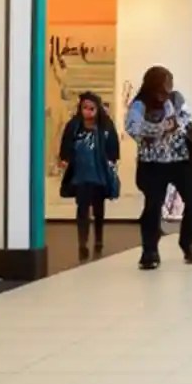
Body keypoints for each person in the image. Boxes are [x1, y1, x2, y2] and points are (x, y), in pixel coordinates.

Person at [125, 66, 192, 270]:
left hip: (180, 159)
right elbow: (133, 128)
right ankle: (149, 251)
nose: (166, 90)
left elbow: (186, 120)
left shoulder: (176, 98)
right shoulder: (140, 104)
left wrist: (173, 124)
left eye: (169, 83)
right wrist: (160, 128)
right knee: (153, 206)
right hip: (153, 163)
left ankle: (187, 242)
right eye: (163, 84)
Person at [58, 92, 120, 261]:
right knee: (82, 209)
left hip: (99, 173)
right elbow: (66, 143)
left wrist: (112, 160)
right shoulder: (74, 125)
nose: (88, 112)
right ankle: (82, 242)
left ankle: (98, 239)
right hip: (81, 174)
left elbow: (113, 145)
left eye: (92, 108)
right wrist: (65, 158)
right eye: (85, 108)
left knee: (98, 209)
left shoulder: (105, 125)